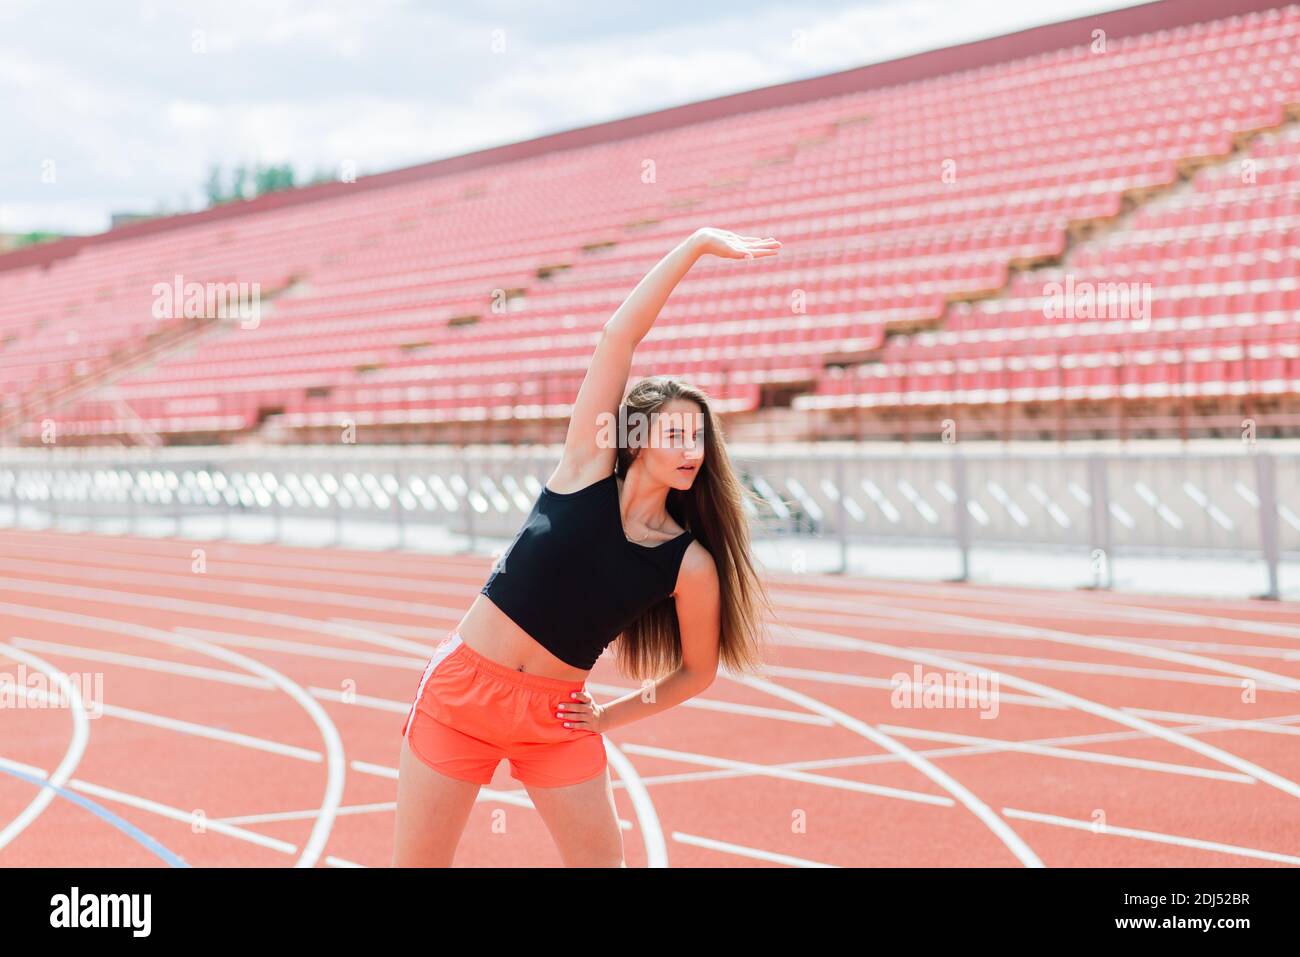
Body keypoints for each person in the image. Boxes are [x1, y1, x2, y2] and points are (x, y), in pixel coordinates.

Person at [392, 227, 780, 867]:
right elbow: (618, 338)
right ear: (634, 437)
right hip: (460, 695)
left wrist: (609, 718)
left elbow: (698, 671)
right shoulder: (585, 468)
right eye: (676, 434)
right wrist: (695, 246)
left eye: (699, 438)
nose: (691, 451)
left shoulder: (690, 562)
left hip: (555, 720)